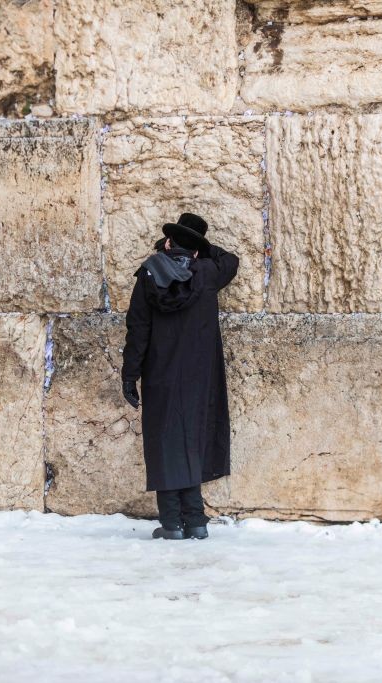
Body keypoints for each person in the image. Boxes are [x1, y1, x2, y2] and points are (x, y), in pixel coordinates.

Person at [120, 212, 239, 540]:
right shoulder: (208, 273)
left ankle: (172, 523)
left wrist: (130, 375)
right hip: (199, 376)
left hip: (161, 373)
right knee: (192, 440)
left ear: (168, 243)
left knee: (165, 442)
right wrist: (200, 249)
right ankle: (196, 520)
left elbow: (138, 329)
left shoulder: (148, 274)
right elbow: (230, 260)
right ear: (197, 249)